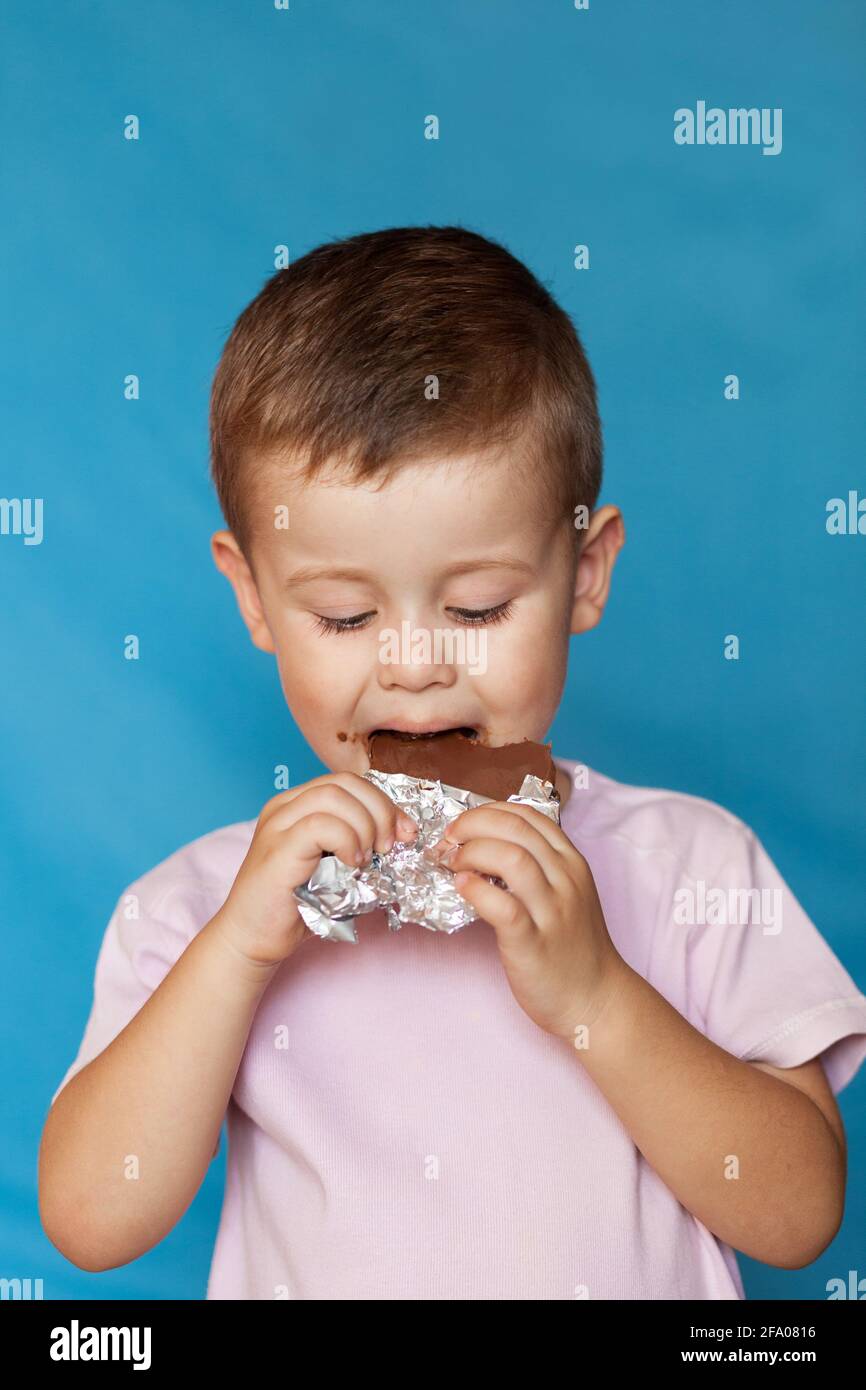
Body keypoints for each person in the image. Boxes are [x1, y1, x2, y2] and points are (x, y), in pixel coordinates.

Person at [38, 225, 866, 1299]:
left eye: (476, 605)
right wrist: (236, 952)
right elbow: (92, 1220)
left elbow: (799, 1216)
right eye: (343, 614)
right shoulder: (196, 907)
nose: (415, 664)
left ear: (584, 574)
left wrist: (595, 994)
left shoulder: (692, 865)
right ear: (252, 598)